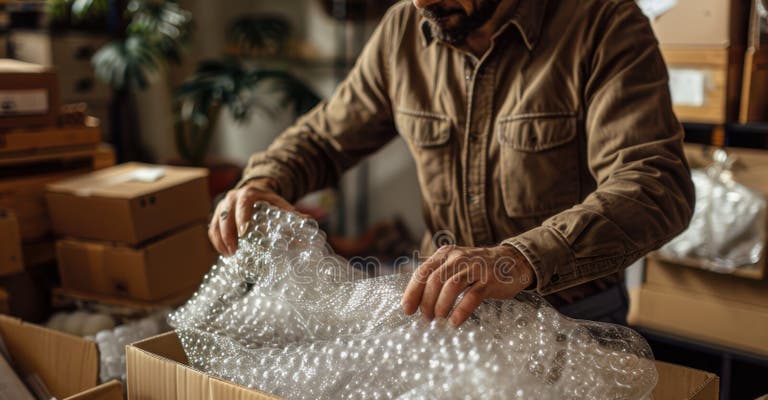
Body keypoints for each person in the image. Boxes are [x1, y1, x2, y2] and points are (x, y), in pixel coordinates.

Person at [208, 0, 694, 327]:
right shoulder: (404, 28)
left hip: (573, 323)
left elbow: (654, 184)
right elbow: (324, 137)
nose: (422, 2)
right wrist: (263, 180)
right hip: (444, 317)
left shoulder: (604, 23)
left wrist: (518, 259)